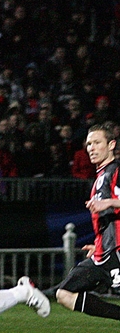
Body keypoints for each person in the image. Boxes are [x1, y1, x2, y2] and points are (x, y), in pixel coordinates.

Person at [54, 123, 120, 322]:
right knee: (63, 294)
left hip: (117, 250)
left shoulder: (116, 171)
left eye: (97, 142)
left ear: (111, 145)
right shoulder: (101, 175)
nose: (91, 147)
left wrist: (109, 202)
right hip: (102, 252)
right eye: (89, 143)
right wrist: (98, 242)